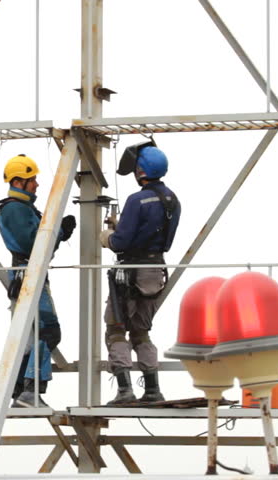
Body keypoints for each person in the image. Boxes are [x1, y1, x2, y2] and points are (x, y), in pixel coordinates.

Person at [100, 144, 180, 405]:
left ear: (140, 171)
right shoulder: (172, 200)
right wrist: (123, 227)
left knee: (116, 329)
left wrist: (108, 237)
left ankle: (125, 390)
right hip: (155, 272)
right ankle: (153, 390)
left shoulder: (137, 200)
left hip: (130, 273)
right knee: (141, 331)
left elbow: (121, 242)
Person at [0, 154, 76, 408]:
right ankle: (30, 391)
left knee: (33, 336)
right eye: (32, 180)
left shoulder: (21, 209)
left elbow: (40, 242)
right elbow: (35, 245)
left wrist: (59, 232)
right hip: (29, 276)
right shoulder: (15, 210)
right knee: (48, 330)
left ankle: (21, 389)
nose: (36, 184)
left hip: (30, 274)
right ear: (18, 182)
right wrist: (59, 231)